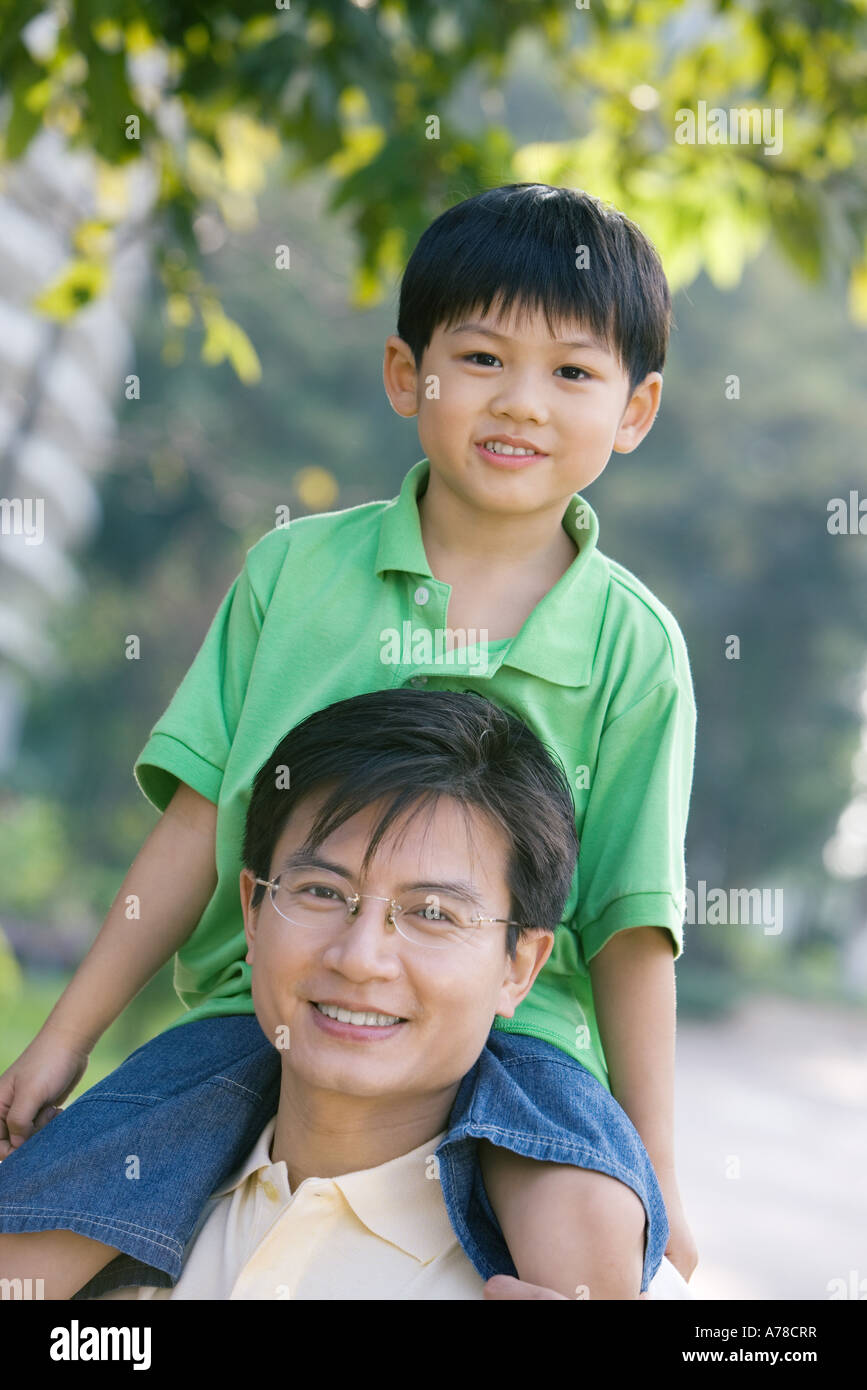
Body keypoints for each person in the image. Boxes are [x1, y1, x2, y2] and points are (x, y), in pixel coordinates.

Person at [0, 183, 697, 1300]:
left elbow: (630, 925)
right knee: (33, 1237)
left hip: (528, 1036)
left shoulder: (634, 649)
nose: (520, 403)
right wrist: (62, 1040)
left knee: (592, 1242)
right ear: (402, 374)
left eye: (571, 371)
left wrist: (653, 1158)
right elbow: (196, 826)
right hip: (268, 1009)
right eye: (479, 358)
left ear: (636, 409)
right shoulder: (295, 574)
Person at [89, 688, 686, 1299]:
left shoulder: (600, 1284)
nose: (359, 958)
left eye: (432, 912)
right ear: (253, 911)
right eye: (321, 892)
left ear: (520, 968)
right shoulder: (88, 1225)